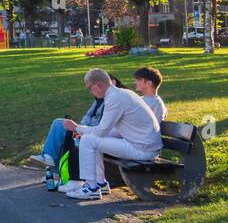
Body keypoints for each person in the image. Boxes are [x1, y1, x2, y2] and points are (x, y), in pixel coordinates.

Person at [65, 68, 164, 199]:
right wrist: (85, 132)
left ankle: (92, 187)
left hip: (144, 150)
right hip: (142, 145)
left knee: (88, 140)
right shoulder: (121, 93)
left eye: (90, 88)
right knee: (90, 139)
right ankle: (100, 184)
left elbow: (102, 131)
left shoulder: (114, 98)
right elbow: (111, 130)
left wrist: (77, 128)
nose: (90, 92)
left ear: (99, 85)